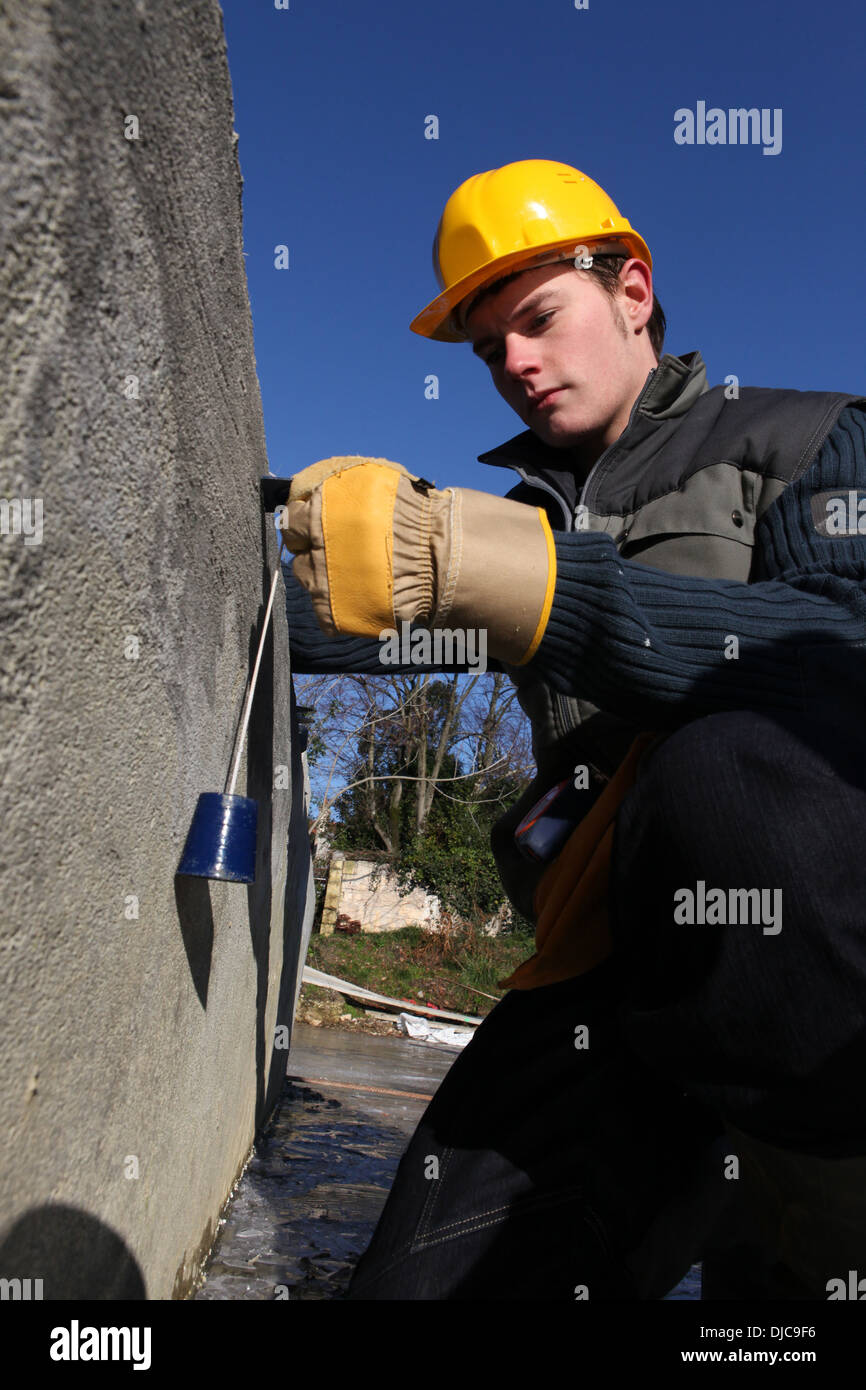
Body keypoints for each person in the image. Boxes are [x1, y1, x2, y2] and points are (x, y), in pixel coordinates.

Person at [281, 159, 866, 1300]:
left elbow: (838, 645)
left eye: (537, 319)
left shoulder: (812, 437)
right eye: (489, 347)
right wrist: (292, 556)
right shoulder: (516, 524)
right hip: (606, 974)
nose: (513, 365)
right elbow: (354, 639)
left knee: (723, 774)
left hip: (794, 946)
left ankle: (816, 1197)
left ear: (632, 290)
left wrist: (545, 591)